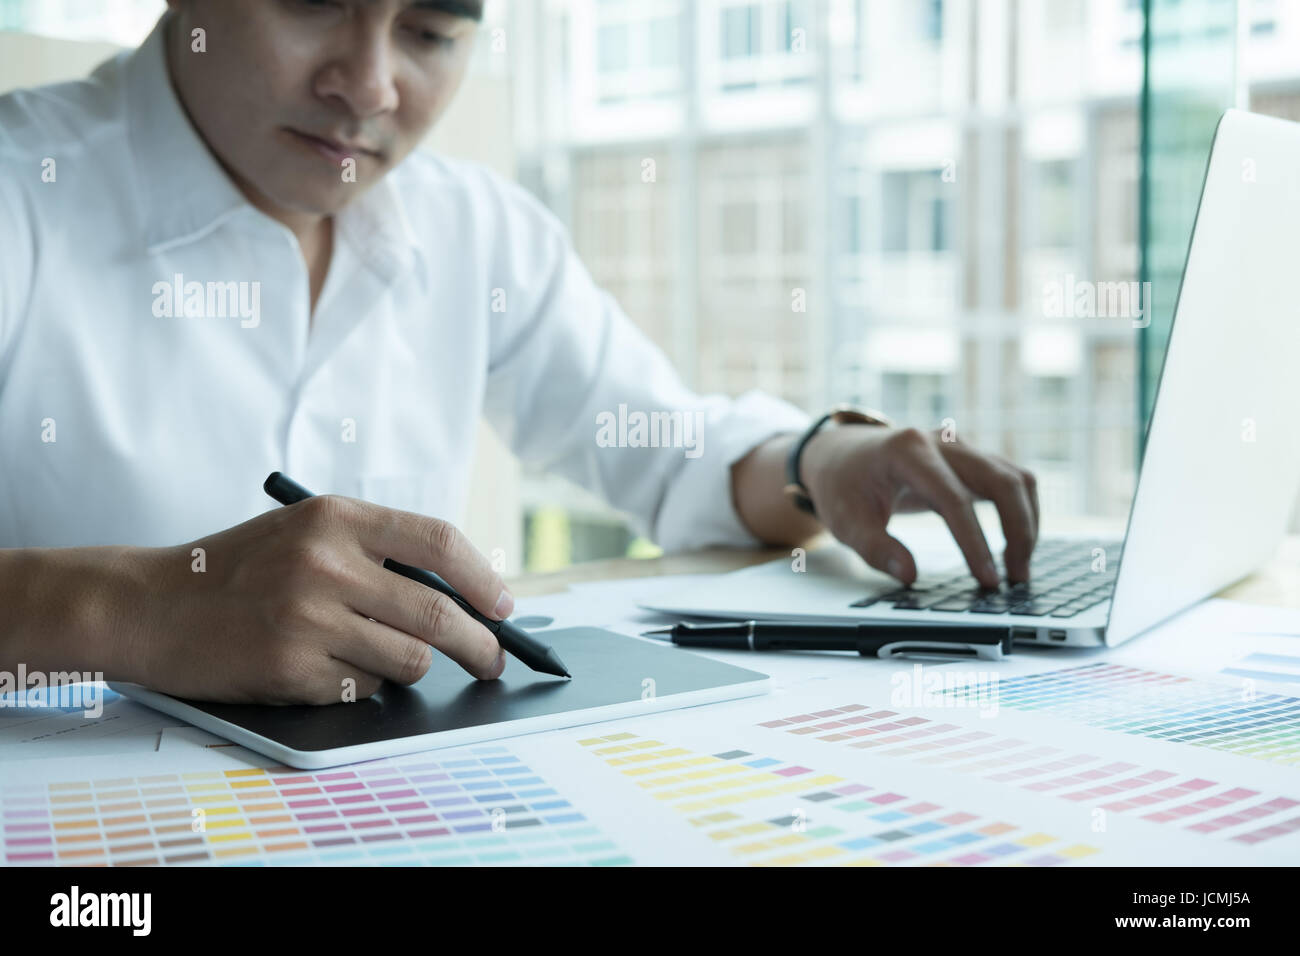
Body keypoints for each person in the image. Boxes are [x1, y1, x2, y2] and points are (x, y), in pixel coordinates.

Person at [0, 0, 1037, 705]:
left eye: (431, 31)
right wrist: (139, 607)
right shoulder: (18, 195)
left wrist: (822, 456)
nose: (366, 86)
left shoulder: (474, 229)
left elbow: (671, 454)